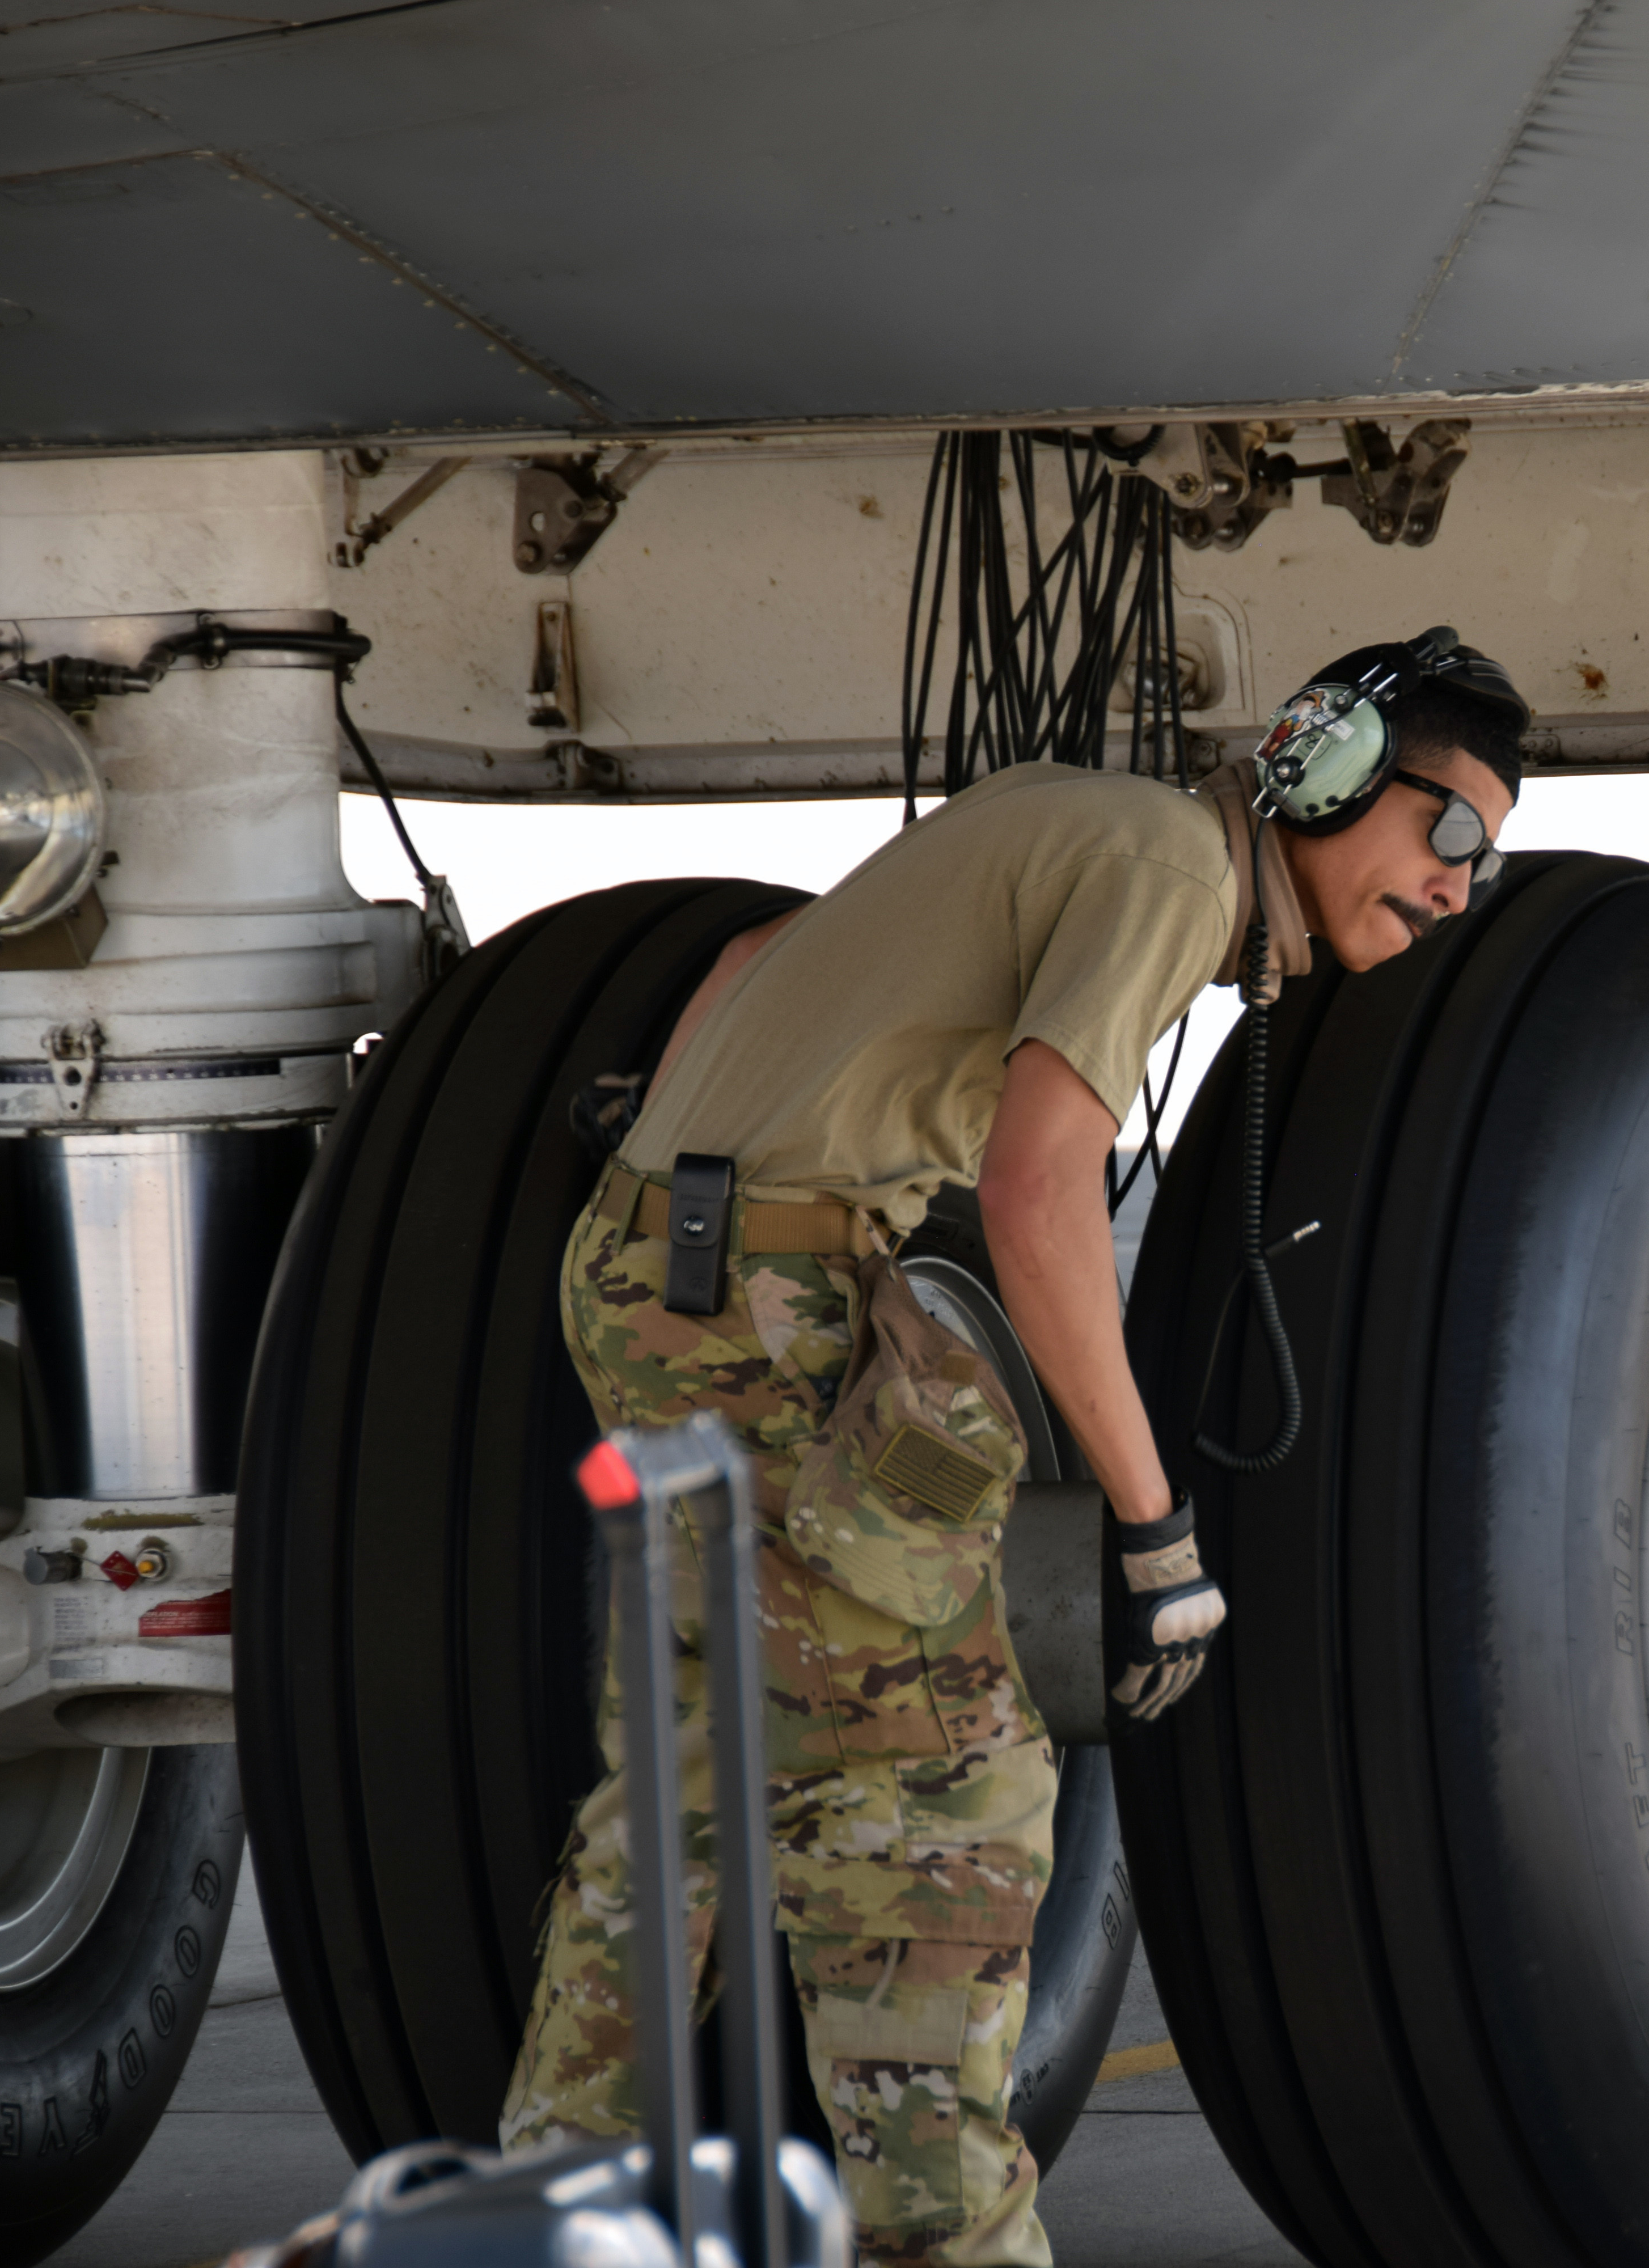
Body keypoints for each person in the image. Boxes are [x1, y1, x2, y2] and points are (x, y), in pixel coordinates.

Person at [498, 629, 1525, 2265]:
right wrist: (1154, 1529)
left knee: (699, 1783)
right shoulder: (1178, 871)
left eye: (1489, 859)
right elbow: (1045, 1196)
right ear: (1323, 768)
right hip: (762, 1291)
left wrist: (718, 1140)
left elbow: (762, 957)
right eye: (1449, 833)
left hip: (661, 1269)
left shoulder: (1108, 828)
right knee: (944, 1781)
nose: (1461, 888)